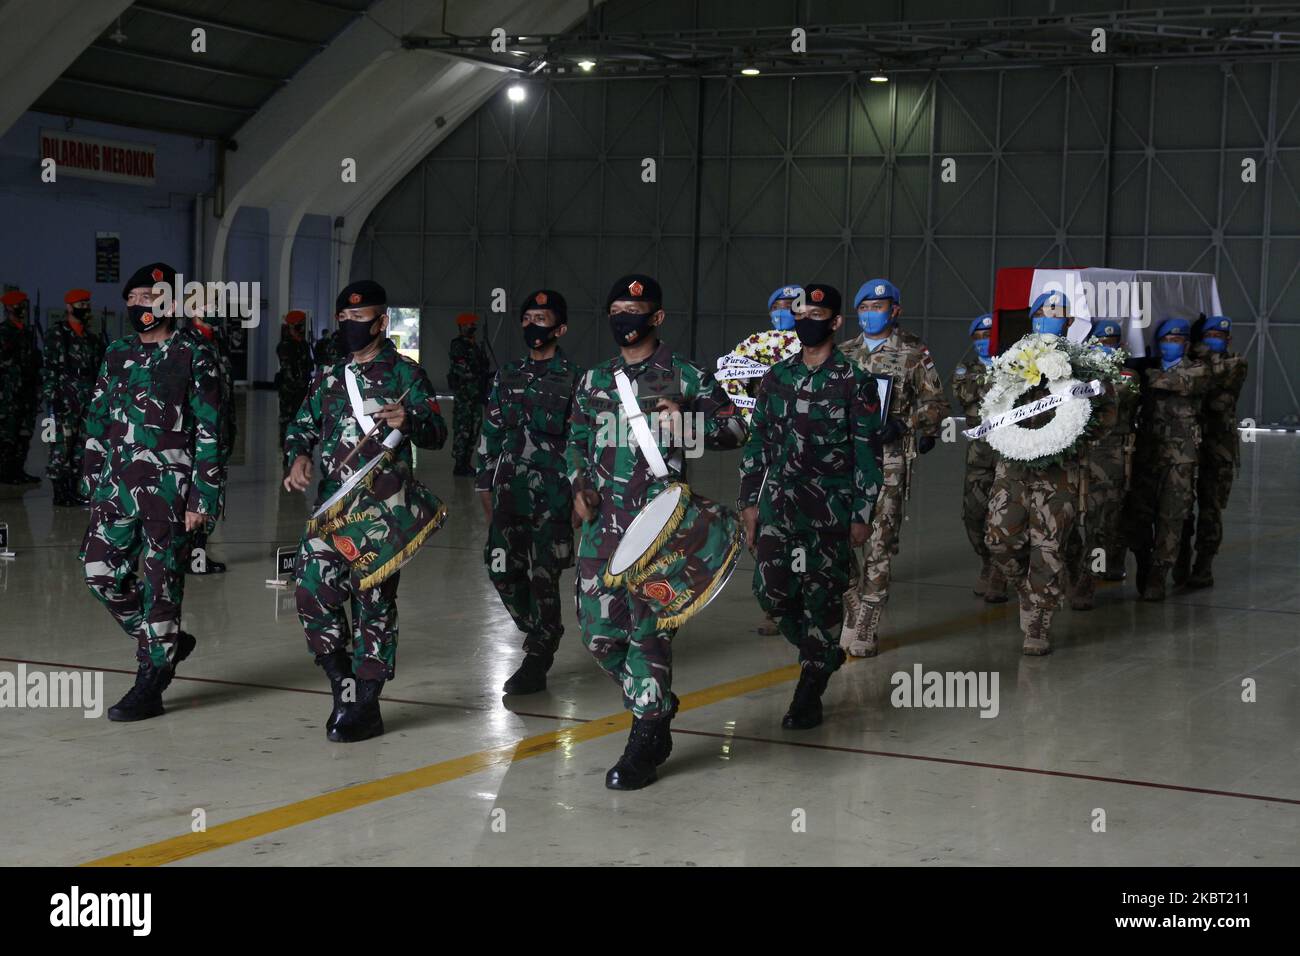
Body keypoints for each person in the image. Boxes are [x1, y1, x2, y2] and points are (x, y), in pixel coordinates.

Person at [569, 274, 747, 789]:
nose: (625, 316)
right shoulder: (594, 379)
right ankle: (657, 707)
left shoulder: (685, 375)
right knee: (600, 636)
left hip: (661, 531)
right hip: (602, 530)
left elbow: (735, 429)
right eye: (617, 308)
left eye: (635, 307)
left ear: (657, 317)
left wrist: (690, 419)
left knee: (648, 633)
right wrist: (579, 484)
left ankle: (646, 736)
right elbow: (575, 439)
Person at [284, 280, 447, 742]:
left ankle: (366, 700)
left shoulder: (406, 375)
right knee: (310, 589)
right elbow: (301, 425)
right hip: (334, 503)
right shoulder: (330, 377)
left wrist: (409, 420)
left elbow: (436, 433)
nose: (351, 326)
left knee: (374, 601)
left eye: (361, 319)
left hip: (384, 506)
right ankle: (343, 682)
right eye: (345, 319)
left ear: (382, 322)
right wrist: (297, 456)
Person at [80, 262, 223, 720]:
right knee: (99, 572)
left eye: (155, 297)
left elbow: (211, 432)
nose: (145, 305)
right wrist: (91, 478)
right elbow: (97, 419)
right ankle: (167, 641)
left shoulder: (194, 355)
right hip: (117, 486)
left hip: (172, 491)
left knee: (163, 586)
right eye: (138, 298)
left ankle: (151, 682)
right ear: (127, 303)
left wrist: (203, 499)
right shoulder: (117, 353)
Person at [740, 283, 882, 729]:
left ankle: (810, 688)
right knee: (772, 592)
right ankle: (821, 653)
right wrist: (748, 503)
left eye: (817, 315)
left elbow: (867, 453)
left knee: (821, 599)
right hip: (779, 506)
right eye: (800, 313)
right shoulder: (776, 377)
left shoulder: (854, 381)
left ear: (836, 323)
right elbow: (757, 441)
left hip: (829, 510)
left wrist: (862, 514)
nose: (806, 320)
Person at [477, 289, 581, 694]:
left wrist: (579, 492)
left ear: (560, 328)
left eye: (542, 319)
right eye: (528, 318)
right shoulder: (509, 374)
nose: (533, 326)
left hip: (554, 494)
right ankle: (540, 628)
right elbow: (492, 431)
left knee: (544, 575)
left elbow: (583, 441)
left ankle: (539, 653)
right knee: (500, 566)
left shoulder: (575, 378)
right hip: (509, 492)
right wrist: (485, 483)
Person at [840, 279, 946, 656]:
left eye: (879, 307)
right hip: (844, 459)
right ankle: (852, 601)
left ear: (895, 311)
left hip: (889, 460)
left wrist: (905, 424)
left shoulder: (914, 352)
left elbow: (935, 404)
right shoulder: (843, 352)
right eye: (865, 307)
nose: (871, 314)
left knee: (879, 540)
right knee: (836, 536)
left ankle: (868, 620)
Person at [1123, 317, 1210, 601]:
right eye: (1166, 341)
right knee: (1138, 516)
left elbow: (1181, 382)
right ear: (1158, 344)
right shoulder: (1148, 370)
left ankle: (1159, 574)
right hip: (1147, 453)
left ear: (1186, 344)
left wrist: (1141, 372)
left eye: (1177, 341)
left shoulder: (1197, 370)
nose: (1171, 345)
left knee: (1172, 515)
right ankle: (1145, 562)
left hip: (1180, 457)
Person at [1062, 320, 1139, 608]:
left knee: (1102, 525)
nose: (1106, 348)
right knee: (1067, 521)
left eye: (1112, 343)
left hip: (1110, 459)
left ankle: (1087, 580)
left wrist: (1095, 377)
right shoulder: (1076, 375)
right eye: (1100, 343)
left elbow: (1115, 395)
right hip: (1076, 456)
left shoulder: (1127, 375)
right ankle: (1072, 571)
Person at [1176, 315, 1247, 589]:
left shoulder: (1236, 363)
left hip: (1219, 449)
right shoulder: (1193, 364)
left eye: (1221, 336)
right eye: (1211, 334)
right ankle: (1180, 561)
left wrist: (1197, 348)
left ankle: (1203, 566)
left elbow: (1212, 380)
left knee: (1210, 508)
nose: (1216, 339)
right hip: (1189, 444)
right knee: (1181, 506)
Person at [755, 282, 803, 638]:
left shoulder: (818, 351)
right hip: (765, 452)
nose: (784, 310)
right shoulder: (754, 352)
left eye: (792, 305)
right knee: (766, 528)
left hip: (808, 455)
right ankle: (775, 603)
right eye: (779, 304)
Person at [950, 313, 1005, 602]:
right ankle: (986, 560)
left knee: (1005, 515)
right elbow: (967, 395)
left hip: (1010, 452)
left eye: (989, 336)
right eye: (979, 337)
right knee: (973, 515)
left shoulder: (1015, 365)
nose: (984, 342)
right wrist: (1000, 382)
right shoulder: (965, 369)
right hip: (979, 456)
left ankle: (999, 571)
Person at [41, 290, 100, 506]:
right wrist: (51, 397)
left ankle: (74, 489)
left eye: (87, 304)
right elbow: (48, 369)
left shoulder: (91, 338)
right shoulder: (56, 334)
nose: (84, 308)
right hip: (63, 399)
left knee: (81, 446)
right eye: (80, 304)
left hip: (86, 398)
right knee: (60, 445)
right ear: (68, 307)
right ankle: (60, 492)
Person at [0, 289, 43, 484]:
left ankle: (18, 470)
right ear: (8, 307)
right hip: (8, 393)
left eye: (23, 305)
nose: (22, 309)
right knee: (8, 434)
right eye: (18, 305)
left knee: (25, 433)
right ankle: (5, 471)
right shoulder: (3, 331)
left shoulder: (27, 332)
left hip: (27, 391)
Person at [449, 313, 490, 475]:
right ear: (462, 326)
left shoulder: (475, 345)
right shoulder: (458, 344)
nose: (473, 326)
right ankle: (459, 464)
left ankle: (466, 462)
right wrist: (478, 374)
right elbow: (462, 368)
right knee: (463, 429)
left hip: (476, 394)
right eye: (469, 324)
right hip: (465, 395)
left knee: (474, 429)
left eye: (474, 324)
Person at [276, 310, 314, 449]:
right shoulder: (286, 345)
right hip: (290, 391)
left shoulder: (303, 344)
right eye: (300, 325)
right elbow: (288, 371)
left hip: (303, 390)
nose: (303, 328)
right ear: (293, 326)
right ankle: (287, 448)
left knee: (302, 421)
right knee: (288, 420)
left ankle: (300, 447)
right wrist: (298, 386)